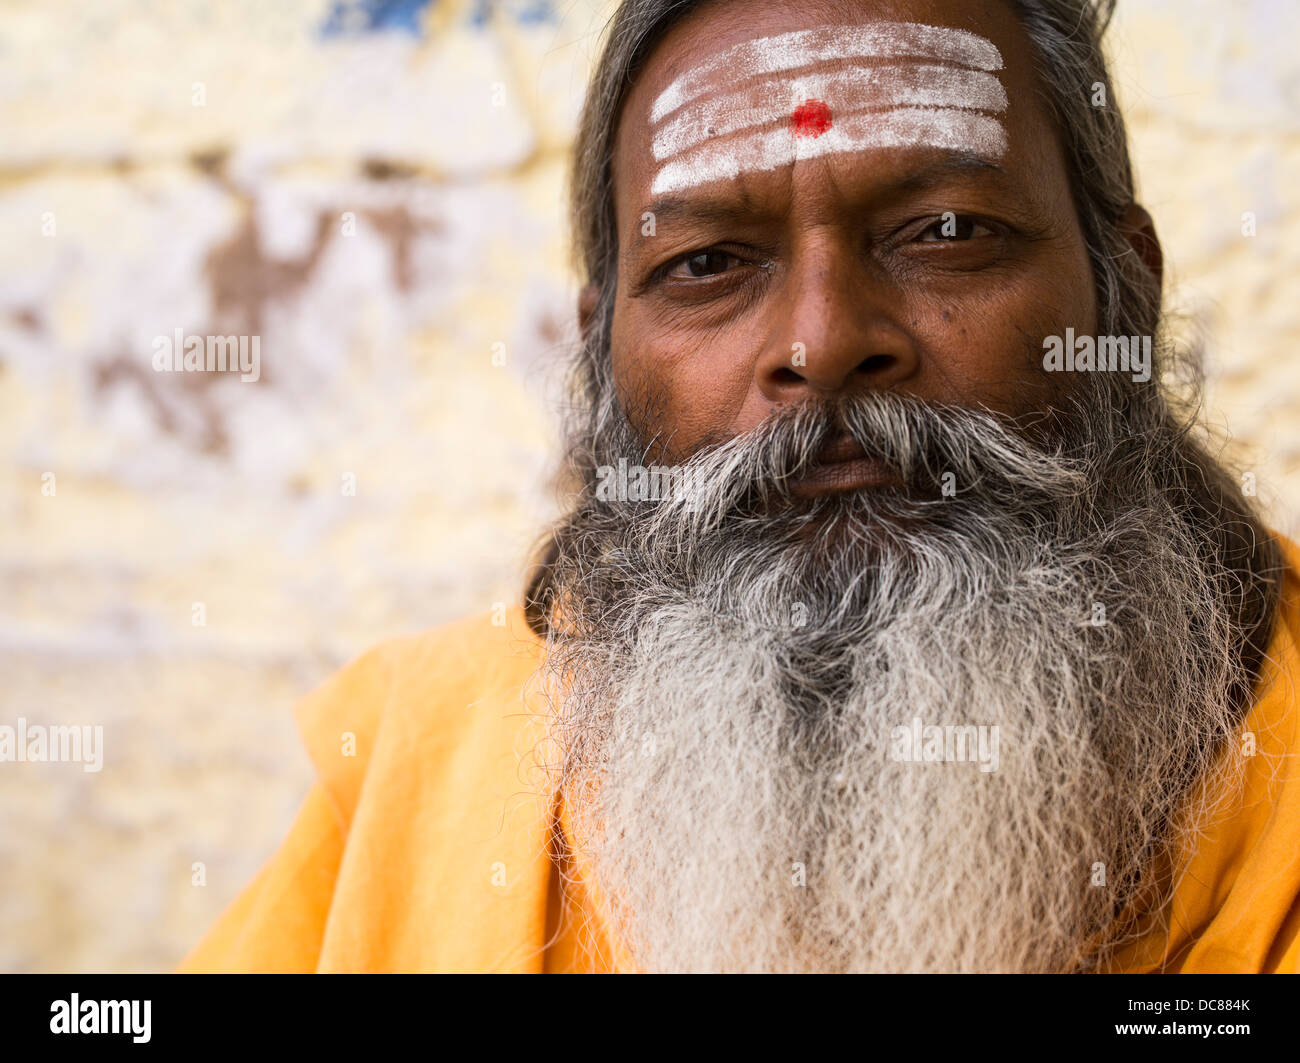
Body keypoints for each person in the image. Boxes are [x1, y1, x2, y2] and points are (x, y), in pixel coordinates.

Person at [178, 0, 1300, 973]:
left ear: (1125, 297)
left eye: (946, 232)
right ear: (600, 356)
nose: (820, 343)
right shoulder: (416, 775)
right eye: (707, 263)